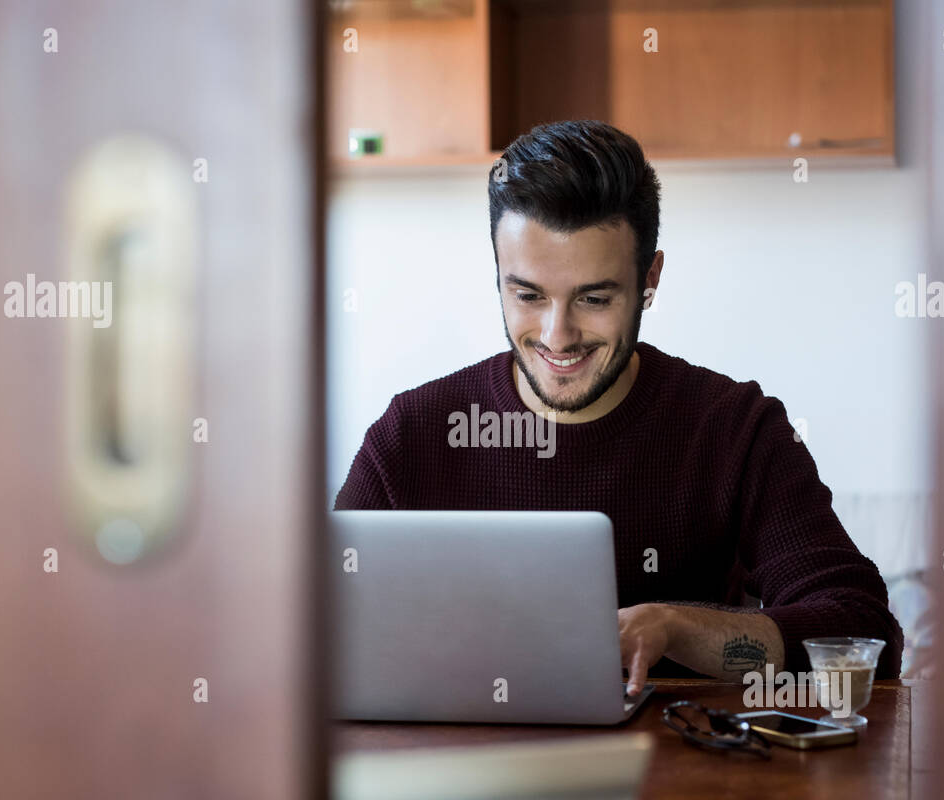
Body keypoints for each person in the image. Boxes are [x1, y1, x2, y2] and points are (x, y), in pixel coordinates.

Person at [335, 119, 902, 693]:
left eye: (594, 298)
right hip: (453, 766)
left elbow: (863, 640)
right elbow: (311, 634)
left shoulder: (734, 430)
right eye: (528, 295)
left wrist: (677, 629)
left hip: (687, 772)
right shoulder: (412, 435)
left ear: (649, 279)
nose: (558, 336)